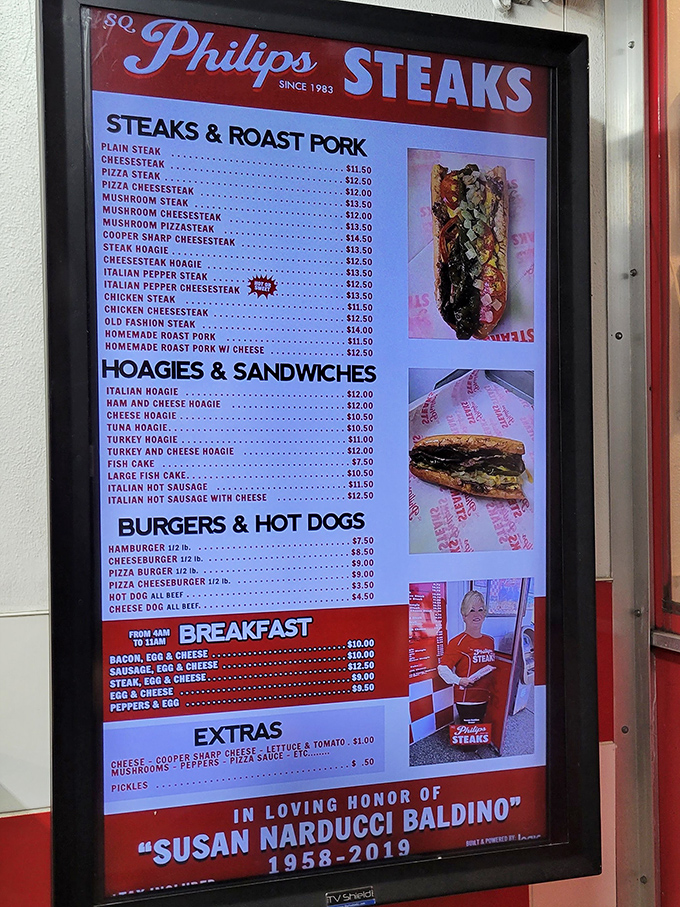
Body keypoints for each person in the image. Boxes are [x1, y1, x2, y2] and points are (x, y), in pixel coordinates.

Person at [438, 590, 496, 705]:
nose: (476, 615)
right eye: (471, 611)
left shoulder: (490, 640)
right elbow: (442, 668)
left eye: (480, 610)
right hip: (467, 700)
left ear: (484, 614)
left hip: (487, 696)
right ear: (464, 616)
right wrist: (459, 680)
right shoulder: (457, 642)